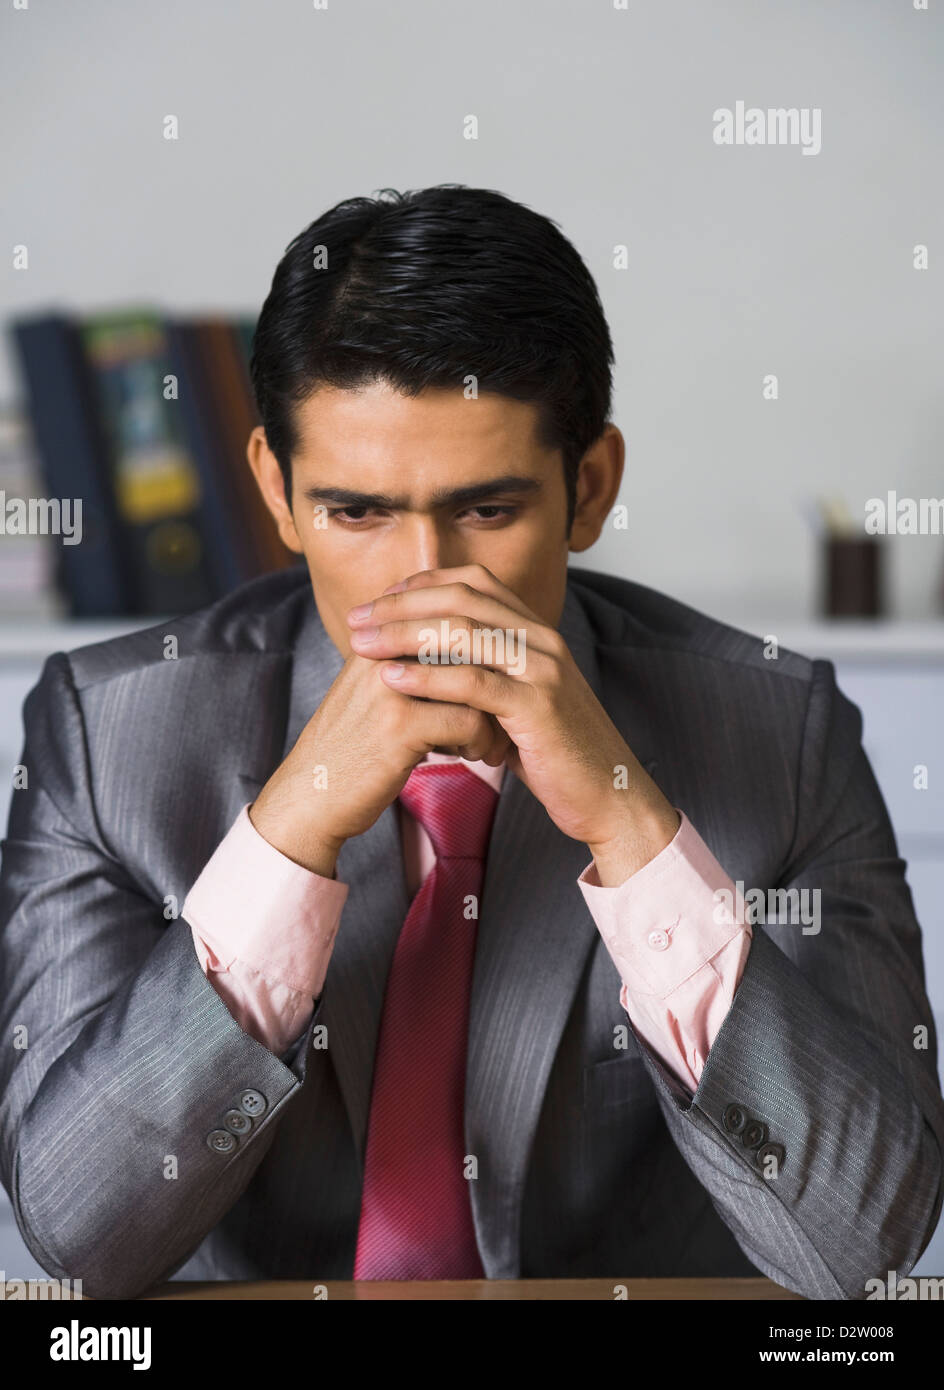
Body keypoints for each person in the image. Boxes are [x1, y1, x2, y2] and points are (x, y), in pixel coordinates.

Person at [1, 185, 941, 1301]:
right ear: (277, 492)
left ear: (586, 487)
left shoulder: (780, 733)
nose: (427, 582)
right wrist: (289, 828)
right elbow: (76, 1239)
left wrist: (632, 827)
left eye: (487, 511)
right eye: (357, 512)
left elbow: (864, 1250)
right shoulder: (109, 734)